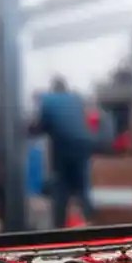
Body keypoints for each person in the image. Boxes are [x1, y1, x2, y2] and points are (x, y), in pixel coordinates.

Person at [33, 76, 95, 228]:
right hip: (83, 146)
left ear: (53, 88)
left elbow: (42, 125)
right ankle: (90, 223)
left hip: (63, 147)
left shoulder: (48, 100)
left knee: (61, 188)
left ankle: (59, 227)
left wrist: (27, 130)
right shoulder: (76, 98)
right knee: (82, 187)